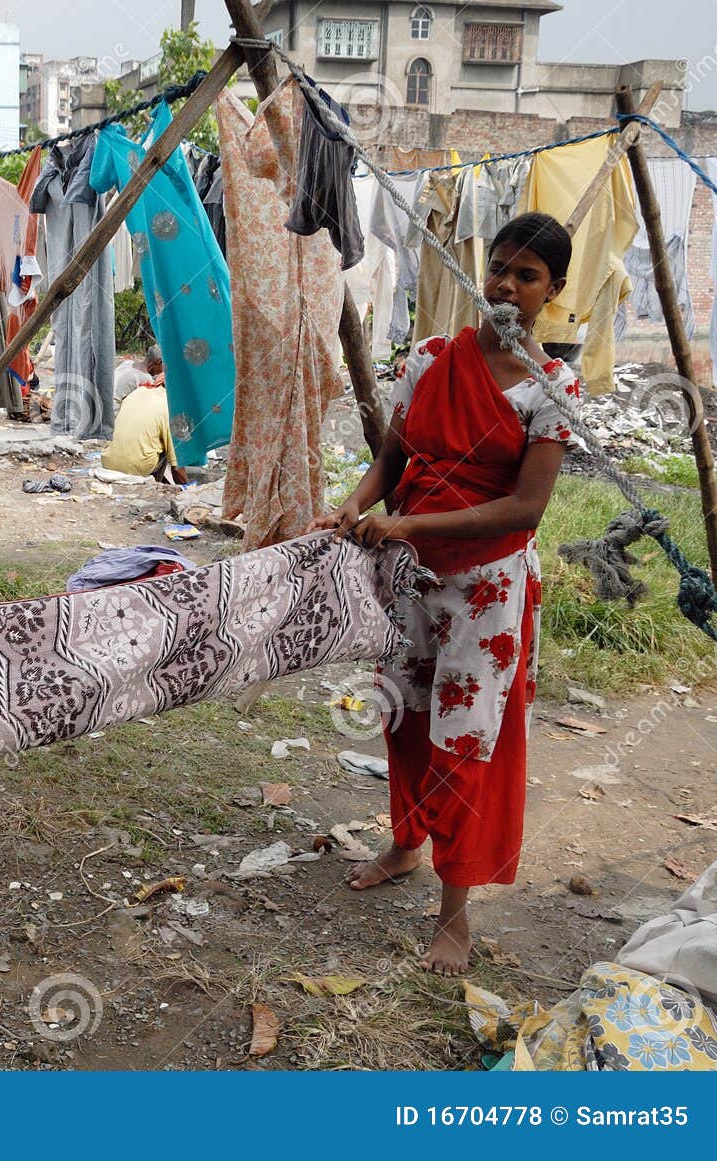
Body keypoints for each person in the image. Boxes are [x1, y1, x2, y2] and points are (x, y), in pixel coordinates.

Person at [309, 212, 578, 975]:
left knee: (464, 740)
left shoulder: (553, 388)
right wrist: (354, 506)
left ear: (554, 290)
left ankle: (454, 914)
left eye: (527, 275)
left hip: (486, 593)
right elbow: (392, 457)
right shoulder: (430, 358)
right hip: (411, 580)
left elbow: (526, 508)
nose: (506, 285)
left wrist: (407, 524)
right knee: (404, 717)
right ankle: (404, 843)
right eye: (499, 267)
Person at [102, 346, 180, 483]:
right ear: (159, 362)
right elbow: (177, 465)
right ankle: (157, 483)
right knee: (166, 444)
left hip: (107, 457)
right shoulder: (146, 381)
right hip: (115, 419)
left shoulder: (128, 368)